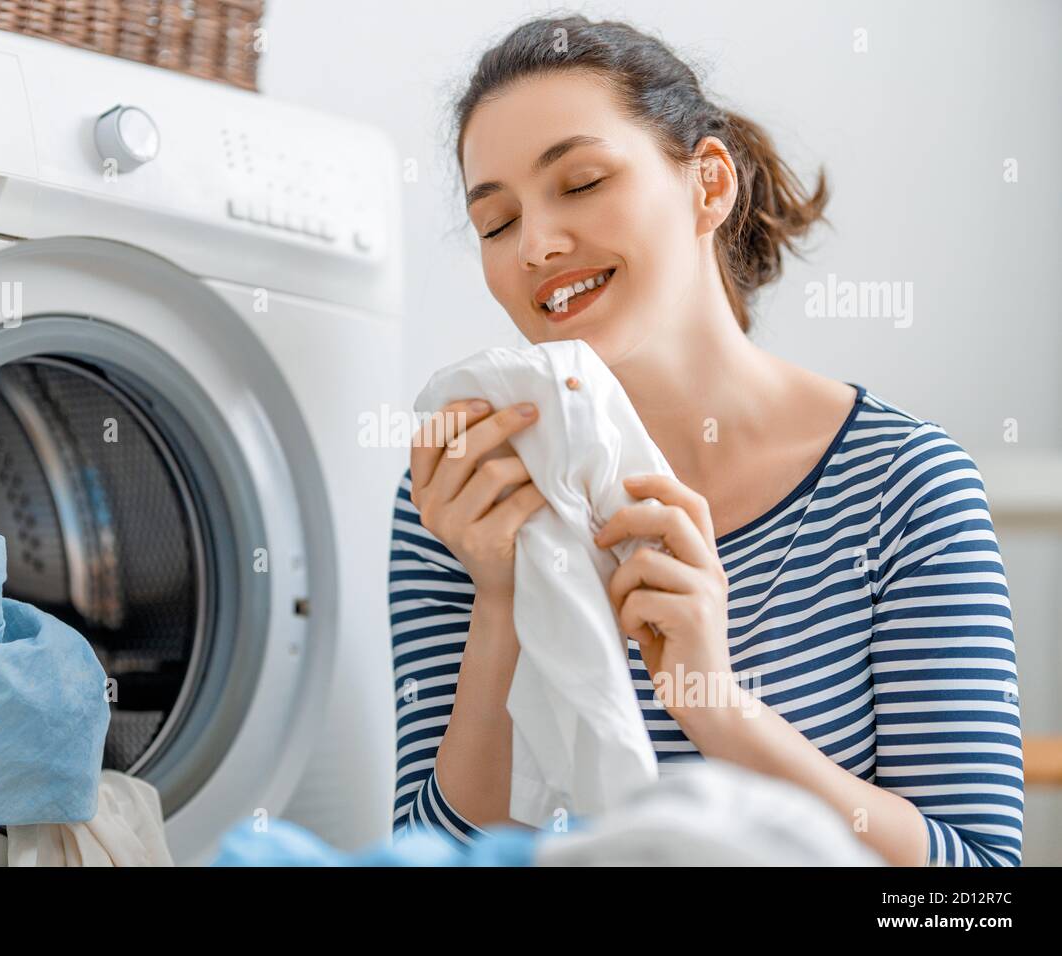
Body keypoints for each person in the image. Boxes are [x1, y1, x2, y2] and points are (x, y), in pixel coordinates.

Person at [390, 14, 1022, 866]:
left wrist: (711, 699)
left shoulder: (903, 485)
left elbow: (975, 896)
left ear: (709, 185)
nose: (535, 245)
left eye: (580, 182)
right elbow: (425, 858)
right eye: (496, 223)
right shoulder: (468, 491)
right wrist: (502, 604)